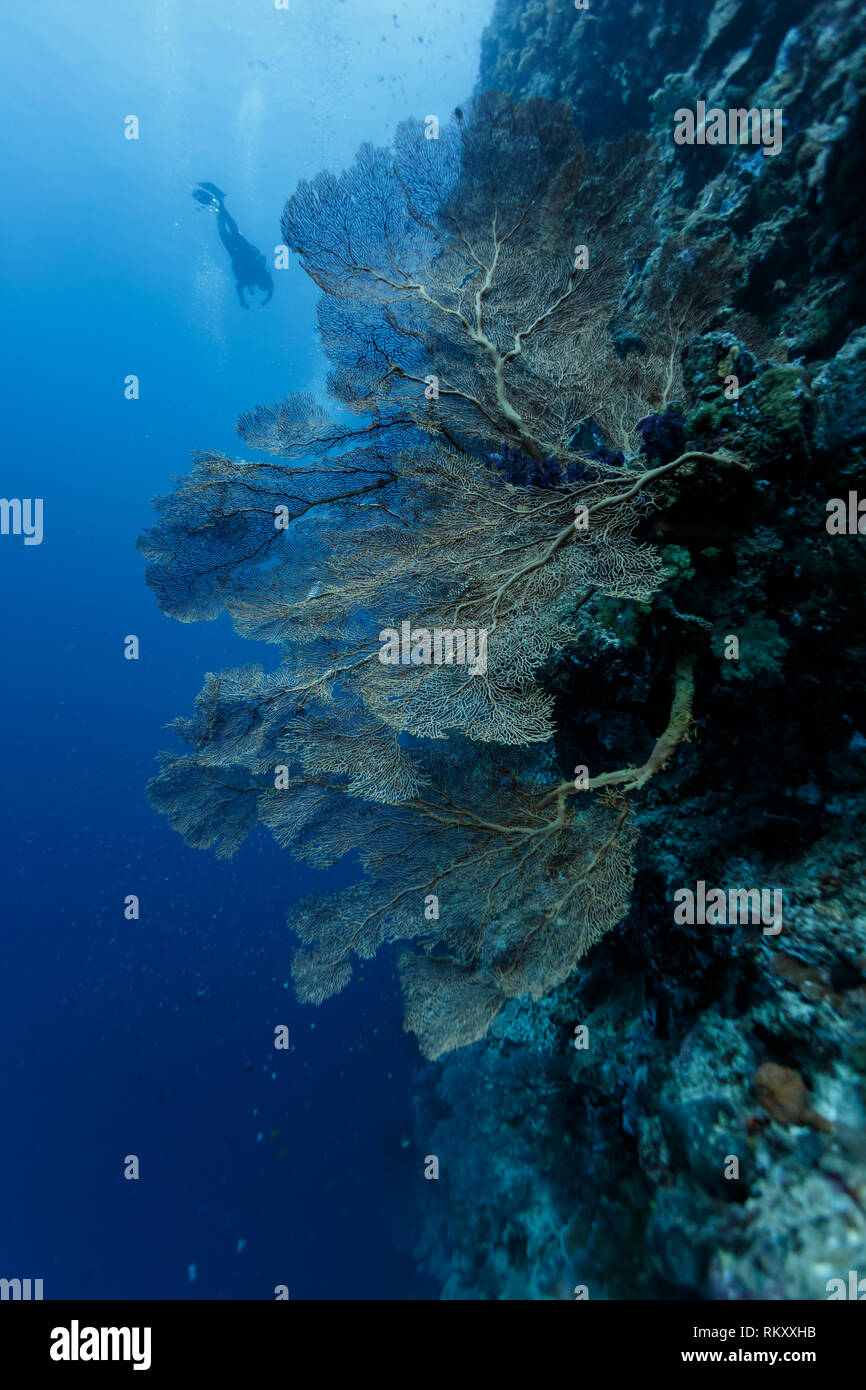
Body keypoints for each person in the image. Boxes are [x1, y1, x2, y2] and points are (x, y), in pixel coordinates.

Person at [193, 182, 273, 308]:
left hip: (235, 254)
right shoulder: (260, 273)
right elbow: (270, 286)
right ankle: (220, 203)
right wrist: (267, 297)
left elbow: (240, 287)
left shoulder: (248, 280)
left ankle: (220, 204)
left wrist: (243, 301)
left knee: (224, 232)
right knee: (231, 231)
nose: (261, 283)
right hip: (245, 251)